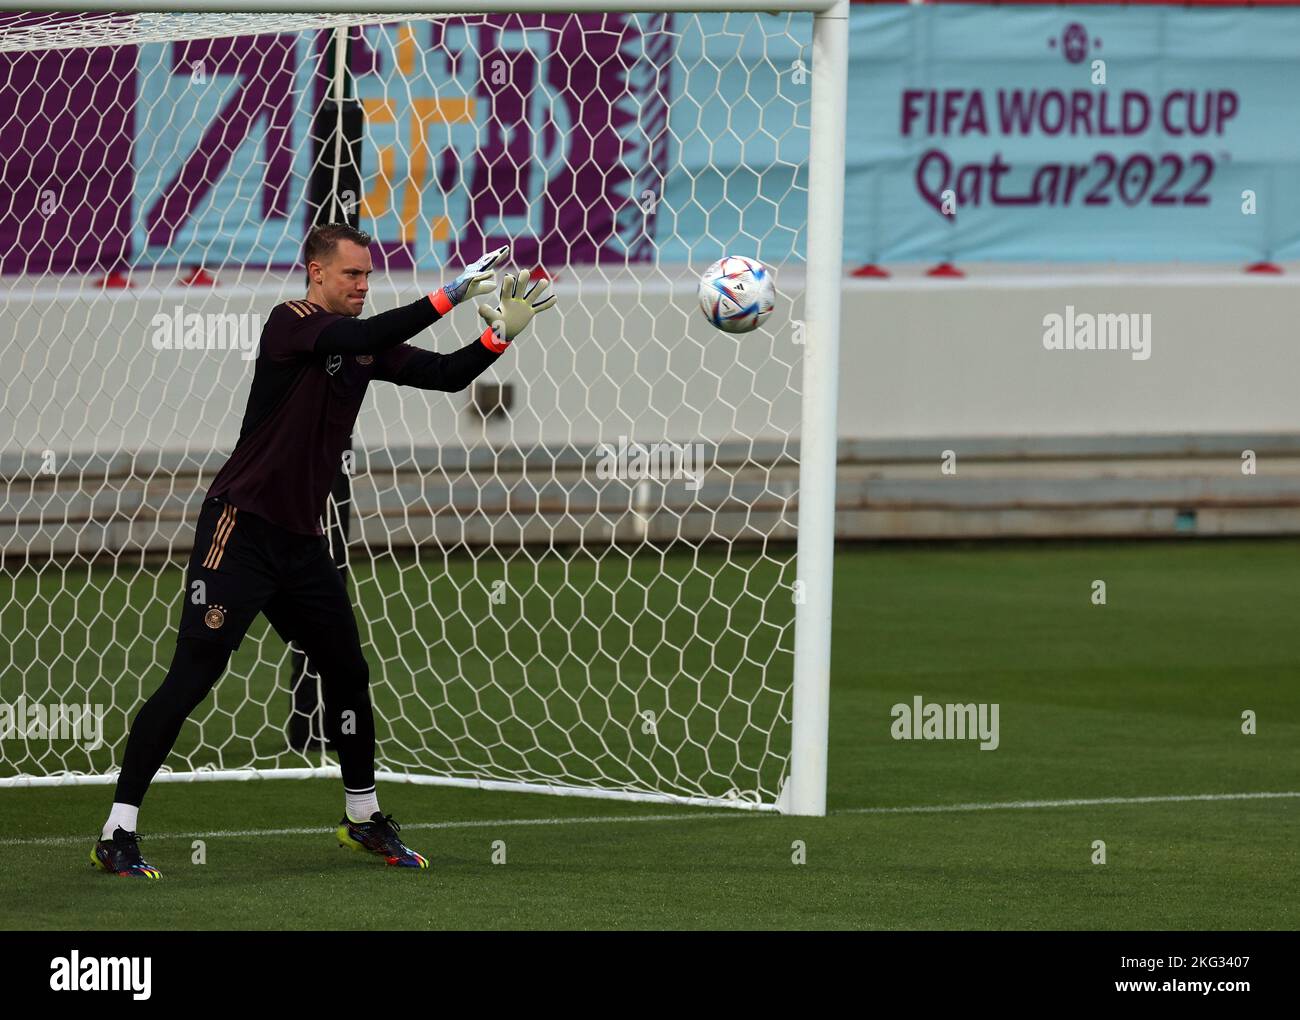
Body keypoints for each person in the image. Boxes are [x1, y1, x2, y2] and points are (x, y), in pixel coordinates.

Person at [91, 224, 556, 877]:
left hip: (301, 544)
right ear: (315, 274)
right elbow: (360, 337)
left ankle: (363, 816)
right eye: (352, 276)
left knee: (347, 668)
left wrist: (500, 334)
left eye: (368, 276)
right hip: (240, 530)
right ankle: (118, 830)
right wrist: (450, 294)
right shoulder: (293, 322)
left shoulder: (364, 344)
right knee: (193, 678)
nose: (363, 286)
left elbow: (447, 376)